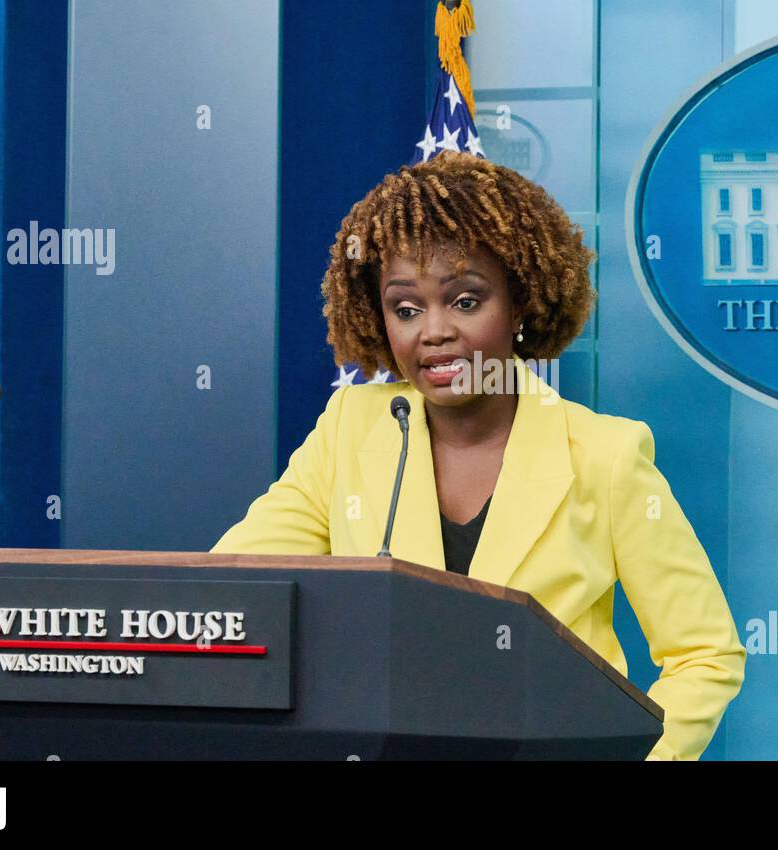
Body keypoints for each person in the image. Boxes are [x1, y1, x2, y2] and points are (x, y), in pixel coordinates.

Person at [212, 151, 745, 760]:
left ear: (519, 303)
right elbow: (239, 586)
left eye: (465, 301)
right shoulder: (350, 429)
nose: (433, 331)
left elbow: (705, 653)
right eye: (406, 309)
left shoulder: (605, 454)